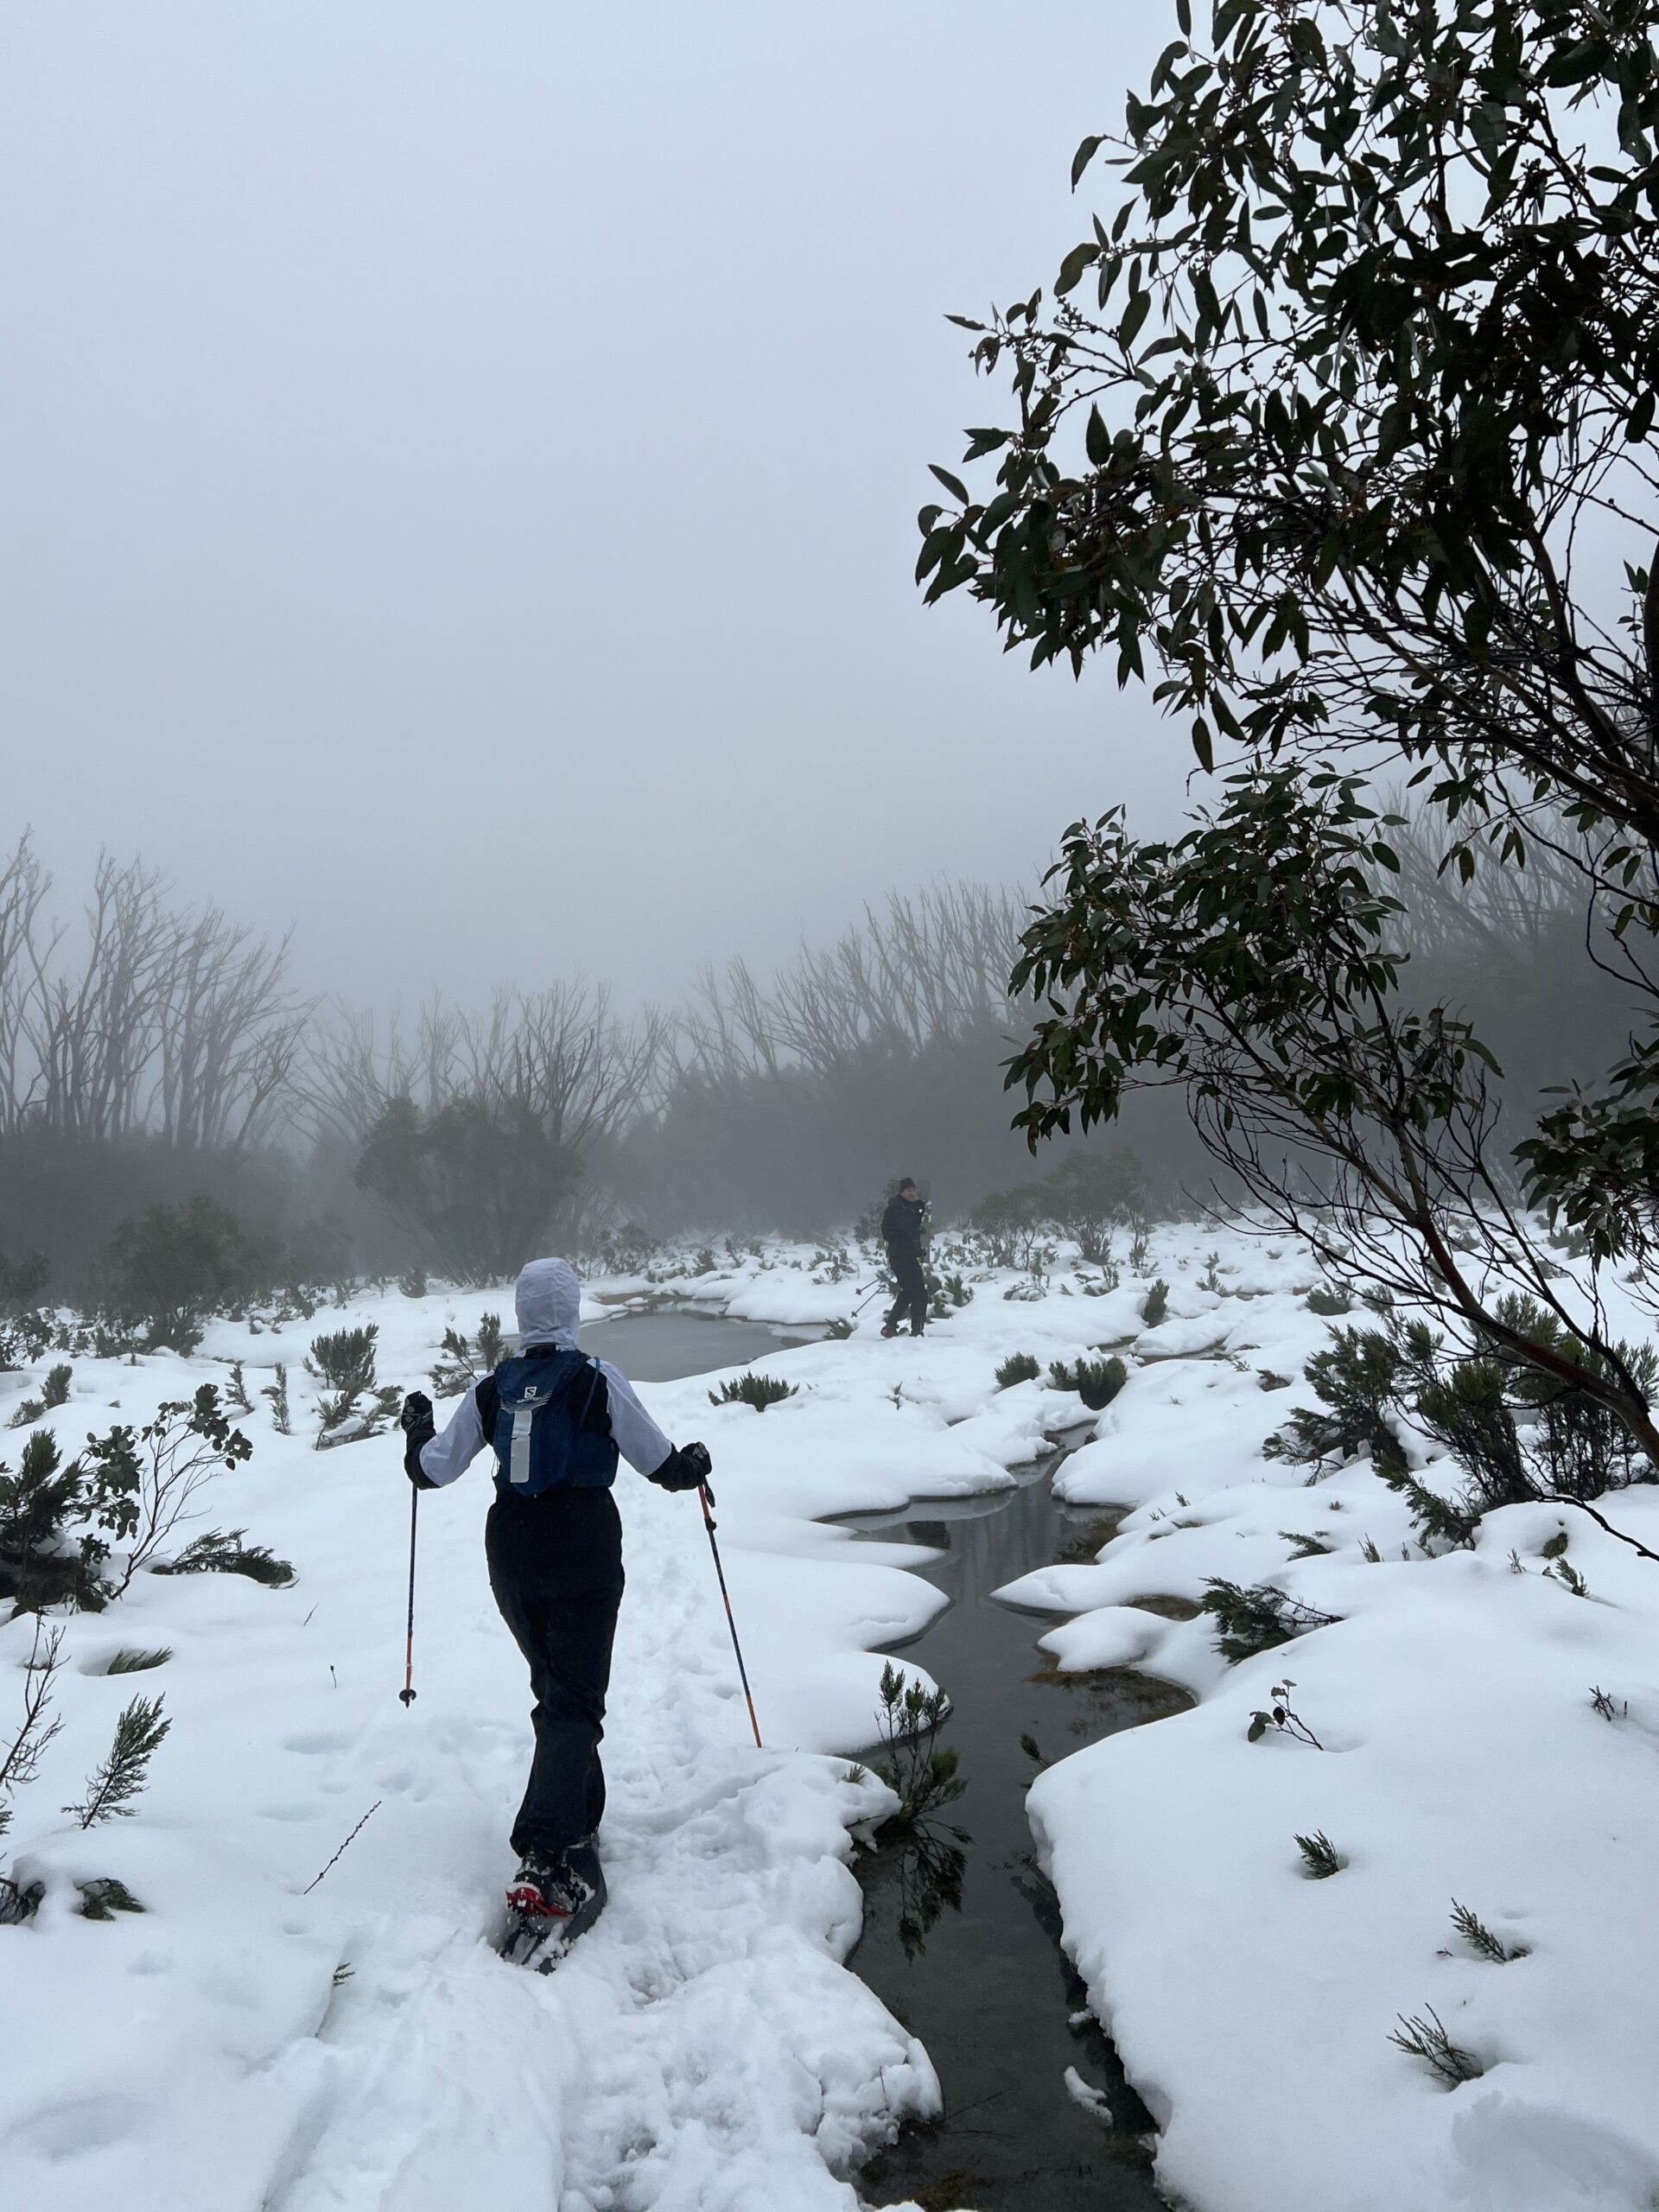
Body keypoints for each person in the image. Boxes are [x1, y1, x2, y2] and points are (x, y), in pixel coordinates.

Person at [398, 1255, 711, 1957]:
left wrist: (416, 1426)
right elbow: (660, 1463)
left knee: (558, 1688)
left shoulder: (492, 1388)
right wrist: (694, 1464)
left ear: (521, 1313)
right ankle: (546, 1855)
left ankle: (579, 1815)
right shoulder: (596, 1379)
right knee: (573, 1700)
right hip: (581, 1545)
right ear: (570, 1310)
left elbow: (430, 1471)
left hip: (511, 1550)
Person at [880, 1178, 929, 1339]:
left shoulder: (910, 1208)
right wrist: (904, 1237)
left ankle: (891, 1326)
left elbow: (911, 1231)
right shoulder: (895, 1208)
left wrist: (916, 1249)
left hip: (907, 1256)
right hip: (900, 1257)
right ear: (902, 1192)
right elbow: (890, 1232)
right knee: (919, 1293)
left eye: (913, 1190)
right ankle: (916, 1332)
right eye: (908, 1191)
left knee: (909, 1291)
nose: (912, 1193)